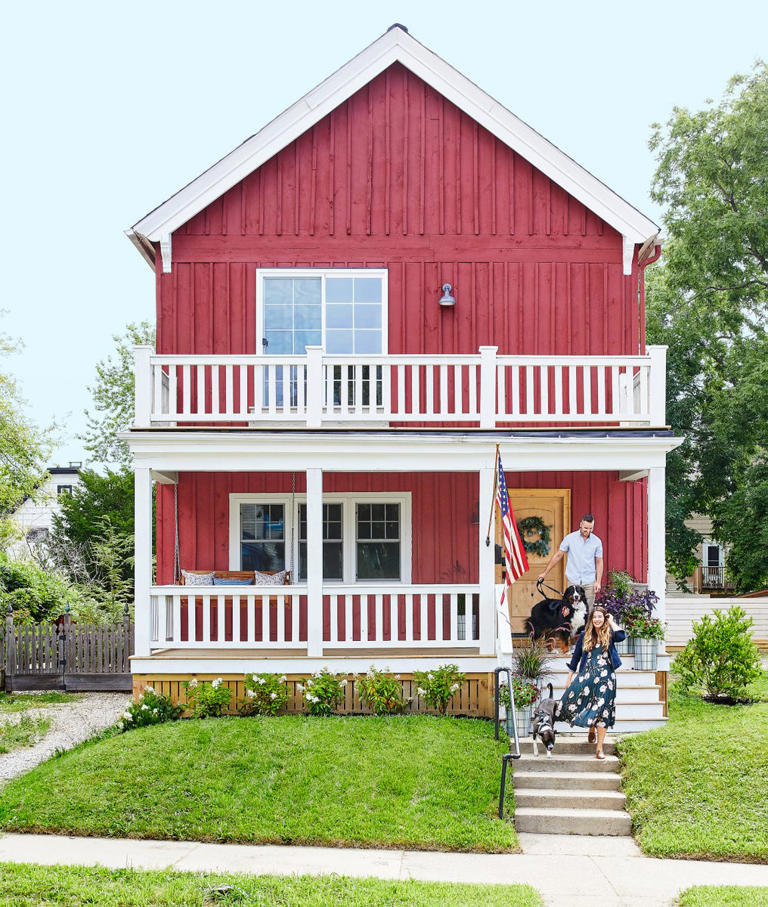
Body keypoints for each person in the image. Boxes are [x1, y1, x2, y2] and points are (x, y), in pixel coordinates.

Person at [558, 605, 625, 758]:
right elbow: (575, 658)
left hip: (606, 678)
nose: (597, 619)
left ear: (604, 618)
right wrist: (569, 678)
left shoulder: (610, 633)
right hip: (587, 676)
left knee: (604, 709)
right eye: (594, 617)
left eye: (600, 617)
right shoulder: (584, 635)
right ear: (591, 619)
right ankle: (591, 727)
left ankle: (599, 748)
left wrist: (611, 621)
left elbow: (622, 636)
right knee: (580, 703)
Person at [537, 513, 603, 611]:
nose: (588, 531)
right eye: (586, 528)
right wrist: (545, 573)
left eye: (591, 528)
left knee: (588, 612)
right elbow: (558, 555)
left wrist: (598, 582)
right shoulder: (569, 538)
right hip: (573, 581)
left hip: (589, 583)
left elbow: (599, 561)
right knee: (571, 611)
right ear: (580, 524)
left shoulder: (597, 541)